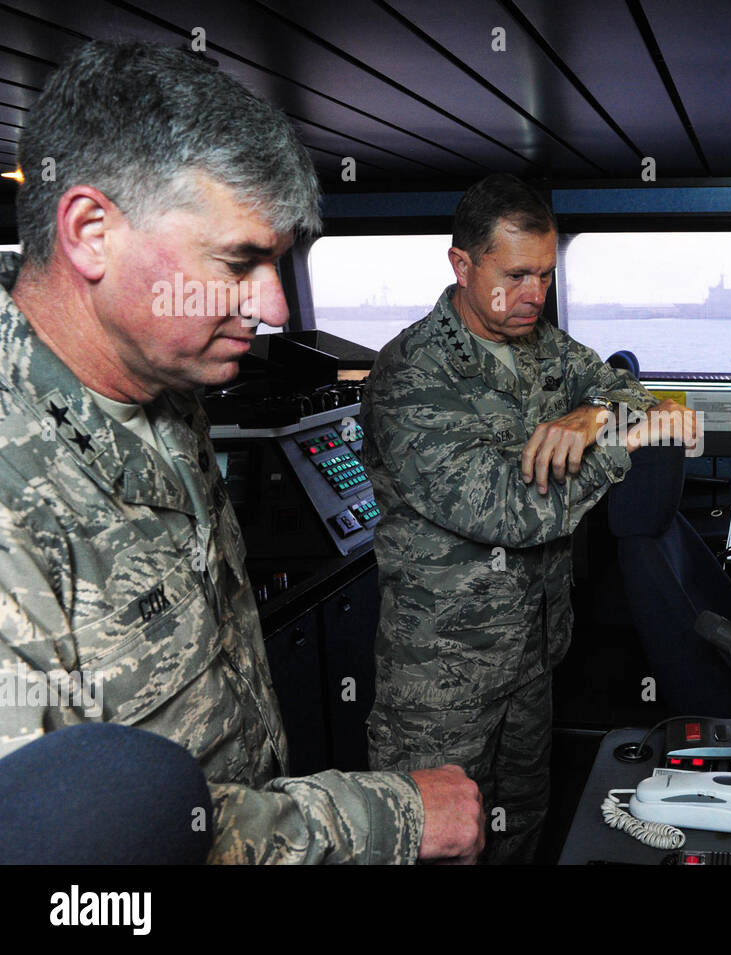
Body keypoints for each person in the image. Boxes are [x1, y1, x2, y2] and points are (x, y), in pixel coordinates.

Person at [0, 40, 483, 864]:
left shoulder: (169, 386)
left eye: (280, 261)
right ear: (89, 232)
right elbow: (73, 855)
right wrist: (390, 816)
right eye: (240, 261)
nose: (273, 305)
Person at [362, 173, 698, 864]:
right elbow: (511, 510)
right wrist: (619, 441)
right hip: (441, 677)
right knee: (438, 849)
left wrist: (600, 413)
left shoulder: (545, 345)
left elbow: (651, 403)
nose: (533, 296)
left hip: (534, 652)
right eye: (516, 275)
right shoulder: (411, 373)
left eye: (545, 275)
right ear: (462, 264)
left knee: (521, 825)